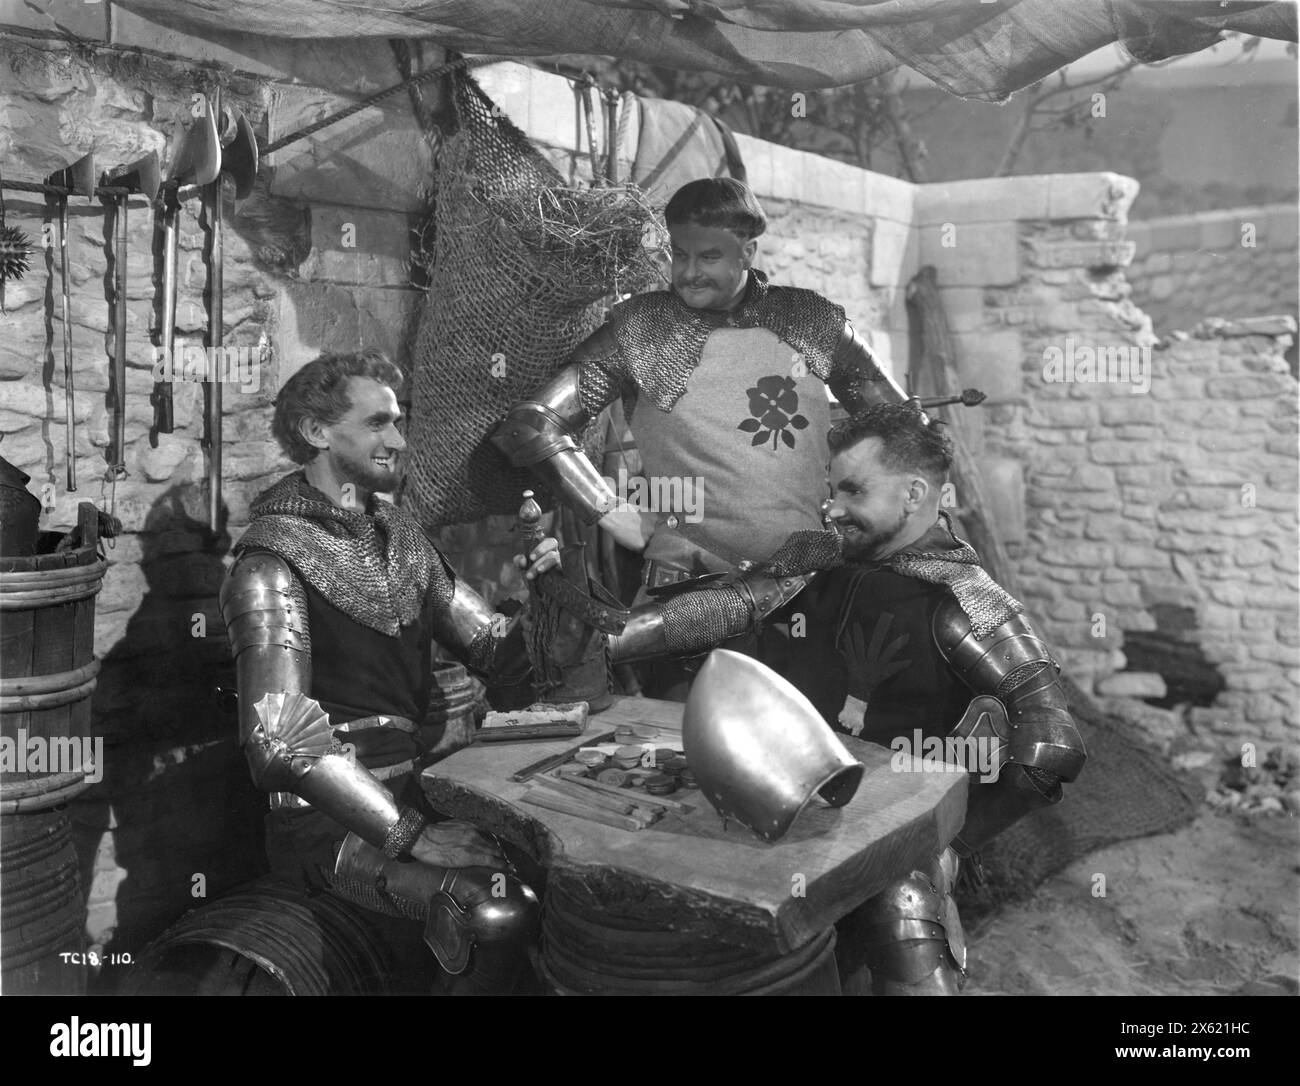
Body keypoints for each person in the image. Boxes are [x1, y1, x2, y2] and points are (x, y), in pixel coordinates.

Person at [218, 348, 560, 994]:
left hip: (416, 794)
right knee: (490, 909)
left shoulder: (402, 542)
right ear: (318, 433)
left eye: (398, 423)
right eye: (377, 424)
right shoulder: (271, 563)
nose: (398, 441)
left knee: (552, 874)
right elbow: (279, 745)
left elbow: (502, 662)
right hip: (323, 826)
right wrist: (411, 836)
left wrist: (545, 596)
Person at [492, 177, 906, 695]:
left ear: (748, 251)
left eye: (708, 257)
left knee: (805, 748)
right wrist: (609, 509)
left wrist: (858, 508)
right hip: (686, 593)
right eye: (679, 254)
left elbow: (902, 428)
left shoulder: (811, 320)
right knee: (681, 751)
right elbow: (533, 424)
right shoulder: (641, 329)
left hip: (807, 588)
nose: (688, 273)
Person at [785, 403, 1088, 994]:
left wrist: (949, 840)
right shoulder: (834, 564)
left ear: (914, 493)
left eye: (852, 489)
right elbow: (721, 607)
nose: (832, 506)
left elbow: (1052, 745)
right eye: (831, 488)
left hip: (899, 854)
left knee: (898, 904)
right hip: (813, 820)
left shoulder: (966, 598)